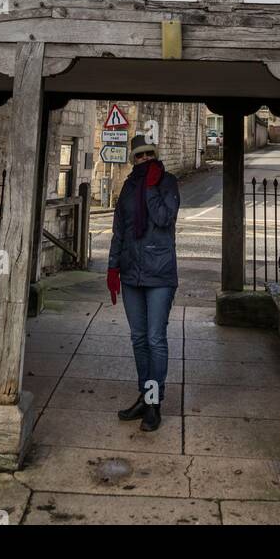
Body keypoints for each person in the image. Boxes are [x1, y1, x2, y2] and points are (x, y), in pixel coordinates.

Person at [106, 141, 180, 432]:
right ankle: (144, 397)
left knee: (155, 339)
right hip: (131, 274)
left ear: (156, 156)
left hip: (159, 274)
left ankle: (154, 403)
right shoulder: (126, 187)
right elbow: (119, 230)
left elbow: (164, 218)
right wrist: (113, 266)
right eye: (140, 155)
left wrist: (150, 189)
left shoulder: (167, 183)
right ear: (133, 158)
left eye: (150, 154)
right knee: (138, 338)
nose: (145, 159)